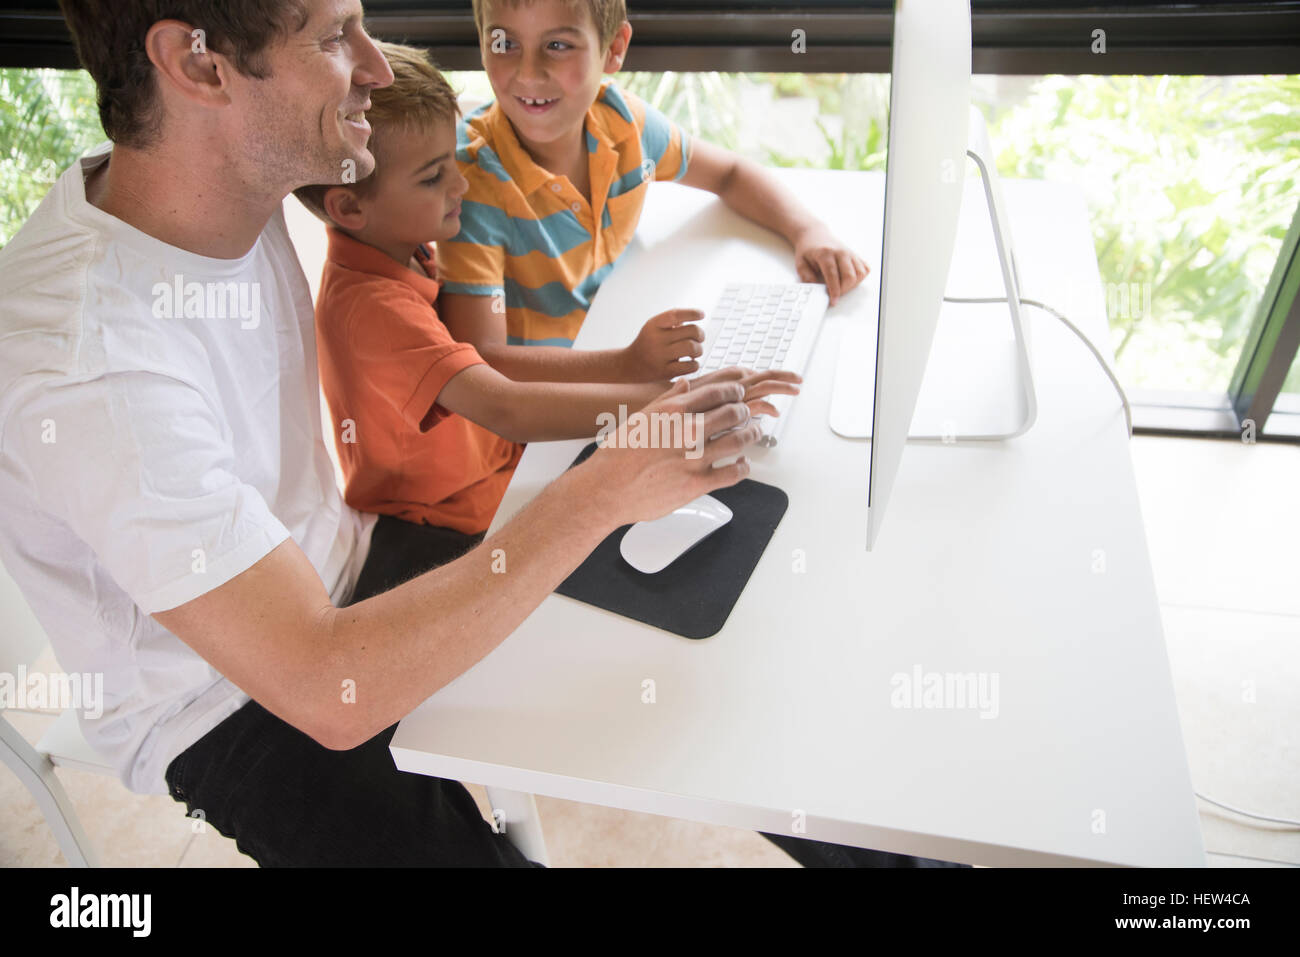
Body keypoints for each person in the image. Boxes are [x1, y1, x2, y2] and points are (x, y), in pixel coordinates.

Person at [0, 0, 960, 867]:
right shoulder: (89, 368)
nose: (374, 67)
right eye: (337, 38)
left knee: (695, 668)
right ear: (200, 66)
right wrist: (602, 486)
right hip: (229, 707)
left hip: (355, 557)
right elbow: (329, 685)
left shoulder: (229, 193)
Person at [292, 40, 798, 570]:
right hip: (441, 526)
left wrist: (640, 381)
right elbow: (507, 408)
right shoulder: (372, 310)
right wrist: (668, 403)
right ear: (349, 206)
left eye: (452, 164)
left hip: (496, 466)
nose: (461, 183)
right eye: (433, 176)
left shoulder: (398, 247)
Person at [436, 0, 872, 384]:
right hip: (539, 415)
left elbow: (730, 173)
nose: (528, 73)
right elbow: (482, 361)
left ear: (614, 49)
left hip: (617, 344)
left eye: (558, 45)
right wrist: (627, 367)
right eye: (503, 43)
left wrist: (809, 230)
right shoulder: (471, 182)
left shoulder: (624, 122)